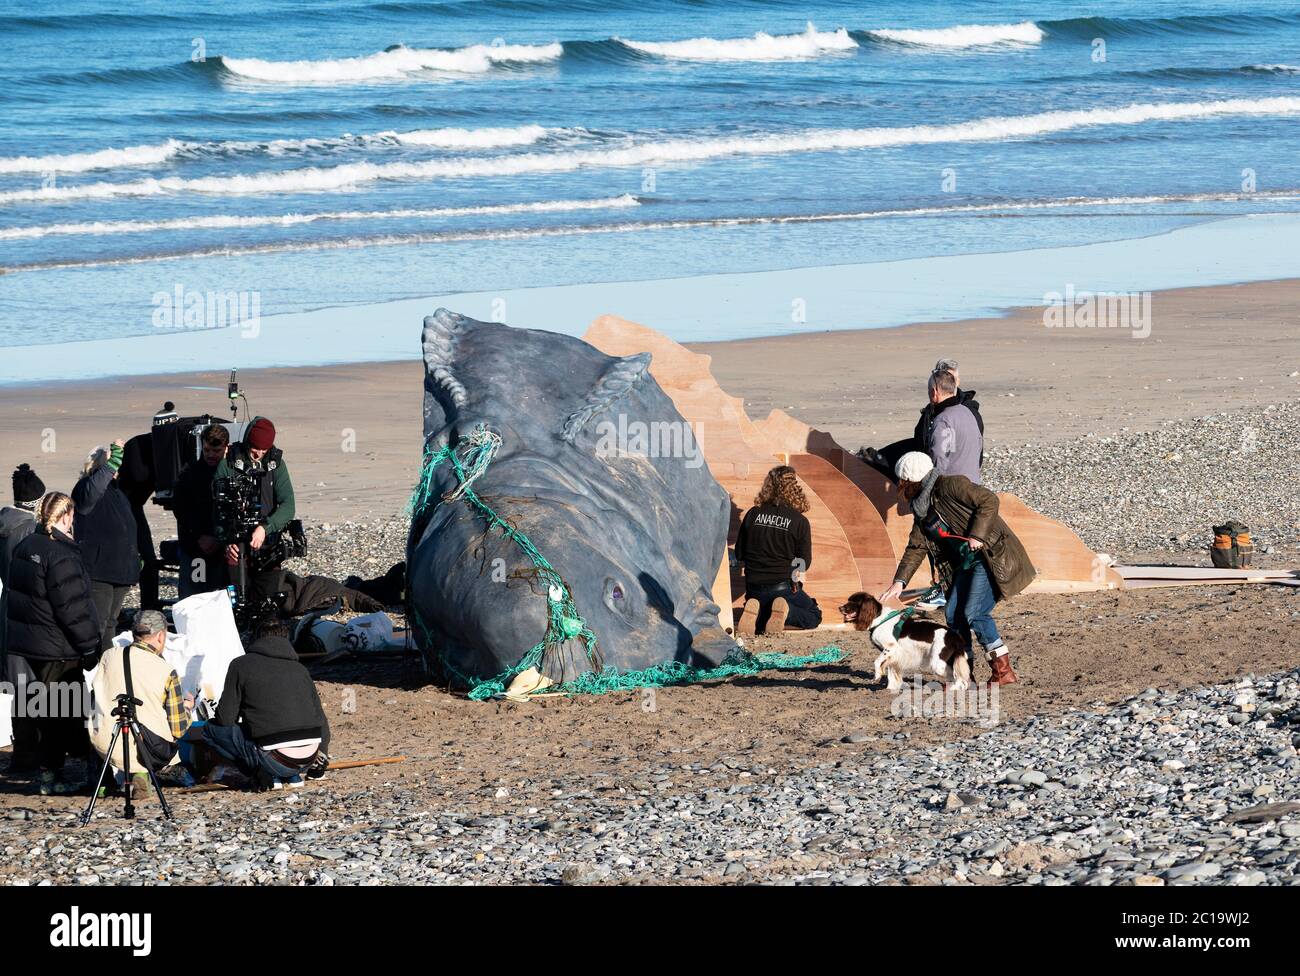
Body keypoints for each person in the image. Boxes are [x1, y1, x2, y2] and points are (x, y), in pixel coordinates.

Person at [878, 453, 1034, 686]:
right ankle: (964, 675)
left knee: (974, 613)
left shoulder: (951, 485)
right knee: (953, 613)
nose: (899, 487)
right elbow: (917, 546)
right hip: (965, 563)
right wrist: (900, 582)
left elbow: (989, 500)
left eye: (901, 482)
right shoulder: (921, 507)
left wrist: (976, 535)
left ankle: (1003, 671)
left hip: (988, 556)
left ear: (909, 481)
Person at [5, 493, 102, 794]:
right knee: (64, 713)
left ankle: (50, 770)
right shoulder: (60, 554)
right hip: (58, 648)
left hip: (28, 644)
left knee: (43, 709)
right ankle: (64, 774)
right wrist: (89, 644)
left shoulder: (27, 546)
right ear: (66, 516)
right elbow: (71, 607)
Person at [199, 620, 329, 790]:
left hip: (274, 759)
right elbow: (321, 719)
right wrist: (321, 757)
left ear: (256, 639)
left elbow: (225, 718)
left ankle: (263, 772)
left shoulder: (241, 664)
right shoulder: (300, 669)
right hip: (308, 758)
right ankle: (291, 776)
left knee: (210, 730)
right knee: (278, 729)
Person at [88, 610, 192, 799]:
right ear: (161, 636)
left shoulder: (108, 656)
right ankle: (141, 773)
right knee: (163, 721)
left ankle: (102, 780)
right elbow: (178, 728)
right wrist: (188, 707)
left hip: (105, 742)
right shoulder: (166, 670)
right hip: (148, 747)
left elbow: (96, 698)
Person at [860, 358, 986, 480]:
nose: (945, 379)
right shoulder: (962, 412)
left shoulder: (944, 418)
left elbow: (939, 460)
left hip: (951, 484)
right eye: (941, 375)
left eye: (949, 377)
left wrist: (928, 489)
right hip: (970, 480)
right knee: (888, 457)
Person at [216, 417, 295, 605]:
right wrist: (226, 542)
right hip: (236, 542)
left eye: (263, 451)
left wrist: (265, 527)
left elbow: (288, 505)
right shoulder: (227, 464)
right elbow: (217, 510)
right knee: (238, 599)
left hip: (266, 541)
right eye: (254, 450)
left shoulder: (276, 464)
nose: (258, 455)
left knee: (268, 598)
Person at [72, 441, 141, 652]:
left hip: (120, 569)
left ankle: (107, 663)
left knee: (111, 622)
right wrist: (112, 462)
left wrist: (135, 558)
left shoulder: (117, 492)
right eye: (111, 464)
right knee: (98, 623)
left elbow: (128, 526)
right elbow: (94, 488)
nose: (116, 469)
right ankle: (92, 667)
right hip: (98, 570)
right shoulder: (85, 489)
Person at [733, 465, 818, 635]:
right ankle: (786, 612)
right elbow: (803, 562)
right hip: (782, 587)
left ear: (768, 485)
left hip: (753, 587)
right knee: (814, 615)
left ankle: (756, 611)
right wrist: (795, 578)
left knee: (761, 606)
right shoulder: (799, 521)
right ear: (794, 487)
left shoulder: (752, 514)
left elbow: (739, 553)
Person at [1, 464, 46, 770]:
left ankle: (24, 753)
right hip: (28, 613)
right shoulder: (28, 529)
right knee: (32, 686)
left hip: (7, 608)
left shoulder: (5, 524)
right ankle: (30, 753)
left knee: (20, 686)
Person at [173, 423, 230, 598]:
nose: (211, 455)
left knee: (221, 597)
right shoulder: (189, 473)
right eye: (206, 450)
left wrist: (221, 539)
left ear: (226, 448)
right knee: (194, 596)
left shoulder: (232, 473)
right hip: (195, 547)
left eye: (216, 450)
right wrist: (200, 536)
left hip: (224, 547)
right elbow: (180, 509)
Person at [117, 432, 162, 611]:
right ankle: (148, 608)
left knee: (148, 561)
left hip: (132, 503)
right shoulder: (141, 448)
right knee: (146, 560)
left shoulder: (141, 445)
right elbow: (137, 477)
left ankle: (149, 608)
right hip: (126, 504)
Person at [925, 368, 983, 483]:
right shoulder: (968, 412)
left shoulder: (943, 419)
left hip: (952, 490)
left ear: (934, 392)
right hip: (974, 484)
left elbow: (939, 458)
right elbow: (979, 446)